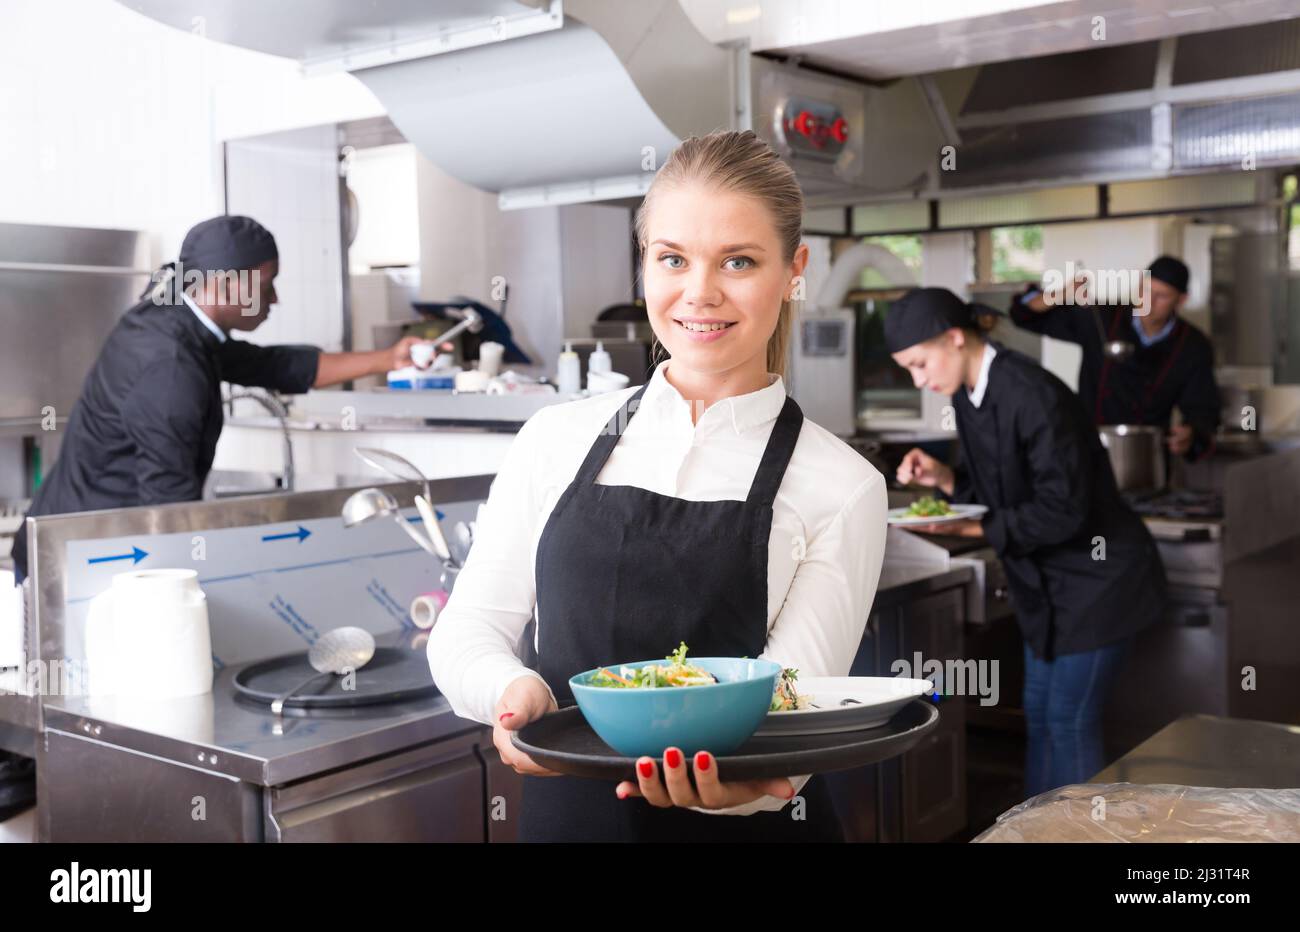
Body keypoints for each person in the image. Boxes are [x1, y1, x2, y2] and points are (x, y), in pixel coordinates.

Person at [427, 130, 887, 842]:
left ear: (795, 269)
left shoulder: (843, 485)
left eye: (739, 260)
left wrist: (739, 790)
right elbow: (469, 629)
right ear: (645, 262)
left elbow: (791, 707)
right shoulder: (553, 439)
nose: (699, 293)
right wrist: (510, 693)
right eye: (672, 258)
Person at [12, 215, 433, 583]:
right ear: (225, 287)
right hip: (83, 557)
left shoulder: (182, 314)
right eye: (267, 286)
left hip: (92, 540)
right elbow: (169, 510)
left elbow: (272, 366)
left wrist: (388, 358)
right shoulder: (170, 365)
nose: (275, 299)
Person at [887, 287, 1166, 796]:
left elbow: (1064, 510)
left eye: (919, 364)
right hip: (1046, 587)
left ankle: (1077, 835)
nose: (919, 380)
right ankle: (1033, 833)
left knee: (1069, 719)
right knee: (1040, 715)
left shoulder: (1031, 393)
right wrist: (947, 479)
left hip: (1098, 581)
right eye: (908, 369)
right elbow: (999, 488)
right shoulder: (969, 395)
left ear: (955, 338)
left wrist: (972, 528)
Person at [1009, 256, 1220, 460]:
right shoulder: (1103, 317)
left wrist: (1189, 435)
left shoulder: (1193, 346)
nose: (1149, 301)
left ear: (1181, 300)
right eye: (1145, 290)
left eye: (1162, 296)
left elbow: (1202, 410)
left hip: (1147, 457)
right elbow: (1025, 315)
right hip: (1091, 450)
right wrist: (1059, 294)